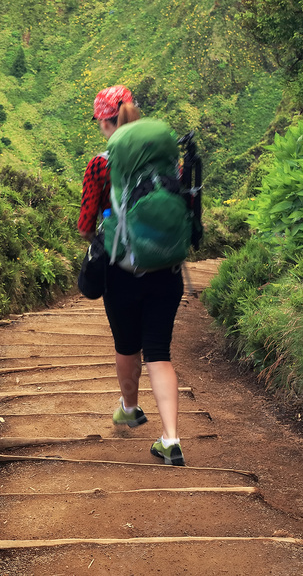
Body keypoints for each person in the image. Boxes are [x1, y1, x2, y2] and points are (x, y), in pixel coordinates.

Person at [77, 85, 186, 466]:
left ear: (107, 121)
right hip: (168, 269)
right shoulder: (170, 161)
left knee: (127, 344)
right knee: (159, 352)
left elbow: (85, 224)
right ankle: (171, 440)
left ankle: (129, 407)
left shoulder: (101, 164)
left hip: (121, 271)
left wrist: (104, 237)